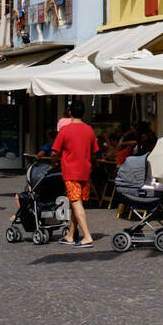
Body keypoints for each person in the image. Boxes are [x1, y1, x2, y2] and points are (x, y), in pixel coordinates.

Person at [51, 100, 98, 246]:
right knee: (76, 203)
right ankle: (70, 235)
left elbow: (54, 151)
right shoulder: (89, 130)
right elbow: (95, 151)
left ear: (69, 112)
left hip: (71, 172)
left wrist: (54, 162)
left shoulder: (65, 130)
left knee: (76, 203)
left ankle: (87, 236)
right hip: (85, 171)